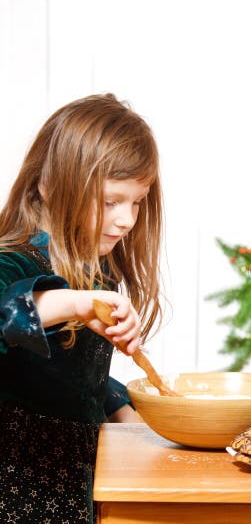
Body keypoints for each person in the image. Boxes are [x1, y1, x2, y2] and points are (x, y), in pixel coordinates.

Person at [0, 93, 163, 522]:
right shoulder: (12, 260)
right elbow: (5, 313)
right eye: (111, 201)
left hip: (79, 478)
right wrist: (74, 302)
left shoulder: (97, 268)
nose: (127, 219)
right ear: (50, 186)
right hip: (18, 488)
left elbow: (71, 377)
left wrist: (122, 409)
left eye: (137, 201)